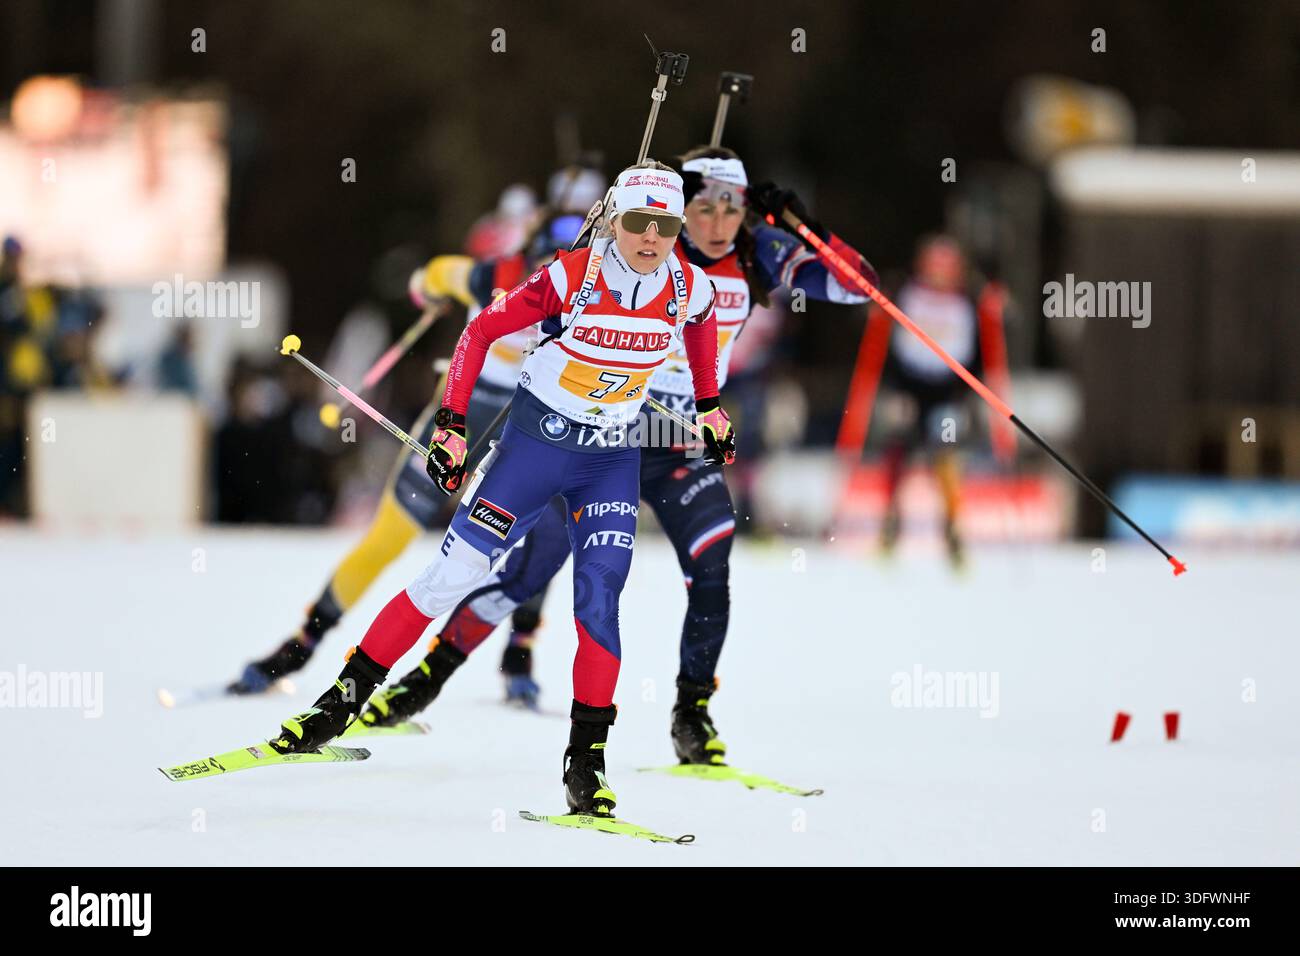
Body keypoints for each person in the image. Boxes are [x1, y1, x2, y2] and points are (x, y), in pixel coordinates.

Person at [361, 146, 878, 769]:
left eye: (731, 208)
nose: (716, 222)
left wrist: (803, 226)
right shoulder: (656, 246)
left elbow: (863, 287)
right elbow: (577, 266)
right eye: (702, 207)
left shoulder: (759, 253)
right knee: (528, 571)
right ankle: (429, 675)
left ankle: (692, 716)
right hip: (610, 435)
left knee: (711, 572)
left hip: (682, 440)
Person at [269, 162, 734, 817]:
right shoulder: (572, 276)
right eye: (638, 223)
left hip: (609, 460)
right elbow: (480, 331)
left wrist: (709, 403)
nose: (652, 238)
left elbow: (705, 322)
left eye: (666, 226)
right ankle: (338, 705)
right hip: (534, 451)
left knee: (599, 602)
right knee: (447, 578)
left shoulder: (687, 283)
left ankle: (586, 767)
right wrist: (453, 427)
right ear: (615, 221)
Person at [230, 211, 589, 704]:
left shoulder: (593, 296)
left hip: (523, 425)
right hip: (461, 419)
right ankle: (304, 642)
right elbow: (439, 273)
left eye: (565, 259)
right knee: (389, 536)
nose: (552, 269)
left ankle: (518, 651)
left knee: (539, 536)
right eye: (544, 257)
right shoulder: (494, 276)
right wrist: (426, 291)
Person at [877, 235, 982, 567]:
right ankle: (891, 525)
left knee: (946, 457)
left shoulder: (966, 300)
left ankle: (952, 531)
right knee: (898, 452)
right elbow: (891, 345)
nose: (938, 274)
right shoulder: (907, 293)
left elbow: (975, 350)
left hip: (946, 391)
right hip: (909, 387)